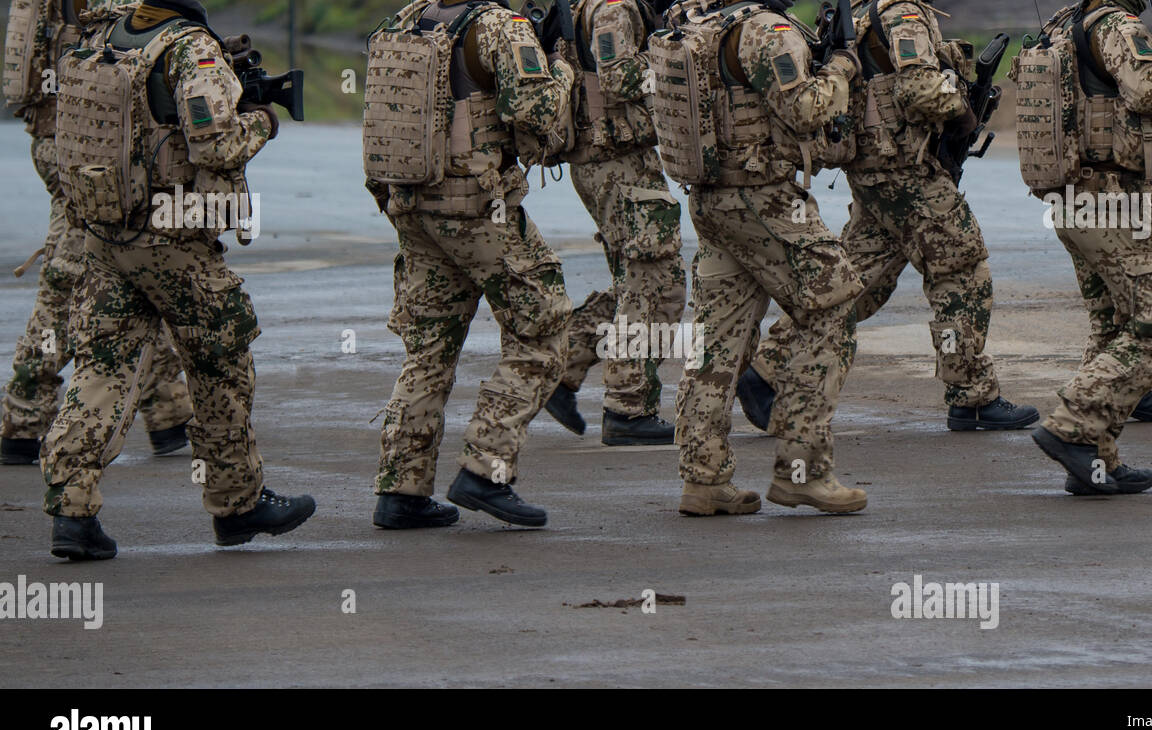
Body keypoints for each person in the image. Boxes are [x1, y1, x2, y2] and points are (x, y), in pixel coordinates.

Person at [42, 0, 315, 560]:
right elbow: (215, 144)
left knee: (102, 369)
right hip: (173, 238)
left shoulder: (109, 34)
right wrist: (262, 120)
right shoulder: (189, 47)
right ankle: (237, 504)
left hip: (107, 233)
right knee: (221, 362)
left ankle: (72, 511)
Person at [738, 0, 1039, 434]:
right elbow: (919, 88)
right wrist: (960, 112)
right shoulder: (903, 16)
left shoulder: (863, 14)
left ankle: (769, 370)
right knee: (961, 273)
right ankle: (971, 396)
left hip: (877, 174)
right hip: (907, 175)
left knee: (857, 284)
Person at [363, 0, 575, 529]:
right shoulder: (500, 26)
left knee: (428, 350)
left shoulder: (407, 19)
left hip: (413, 204)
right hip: (478, 209)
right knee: (542, 329)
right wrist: (562, 66)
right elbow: (535, 111)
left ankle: (401, 490)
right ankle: (486, 469)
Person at [651, 0, 867, 515]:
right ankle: (803, 470)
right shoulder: (765, 31)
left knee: (720, 337)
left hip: (712, 199)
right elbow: (805, 108)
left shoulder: (702, 26)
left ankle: (703, 478)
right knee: (835, 309)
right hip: (764, 199)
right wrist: (842, 67)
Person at [1014, 0, 1152, 494]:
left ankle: (1095, 460)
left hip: (1073, 200)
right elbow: (1150, 89)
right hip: (1112, 204)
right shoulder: (1115, 25)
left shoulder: (1064, 23)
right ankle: (1070, 428)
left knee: (1114, 327)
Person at [1, 0, 192, 467]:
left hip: (67, 142)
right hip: (92, 155)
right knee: (67, 282)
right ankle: (23, 417)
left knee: (126, 273)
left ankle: (168, 412)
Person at [542, 0, 688, 446]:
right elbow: (620, 77)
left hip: (616, 160)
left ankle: (561, 369)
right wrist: (673, 52)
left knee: (636, 281)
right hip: (615, 162)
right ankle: (627, 408)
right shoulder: (615, 9)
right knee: (658, 283)